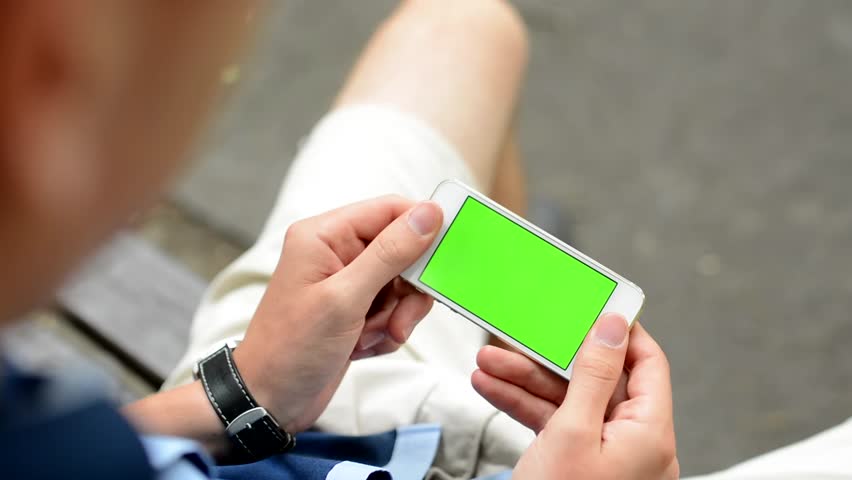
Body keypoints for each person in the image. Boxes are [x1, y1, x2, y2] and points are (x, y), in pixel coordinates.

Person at [0, 1, 679, 479]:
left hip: (263, 420)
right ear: (56, 69)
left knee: (462, 26)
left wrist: (243, 394)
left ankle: (492, 301)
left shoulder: (43, 435)